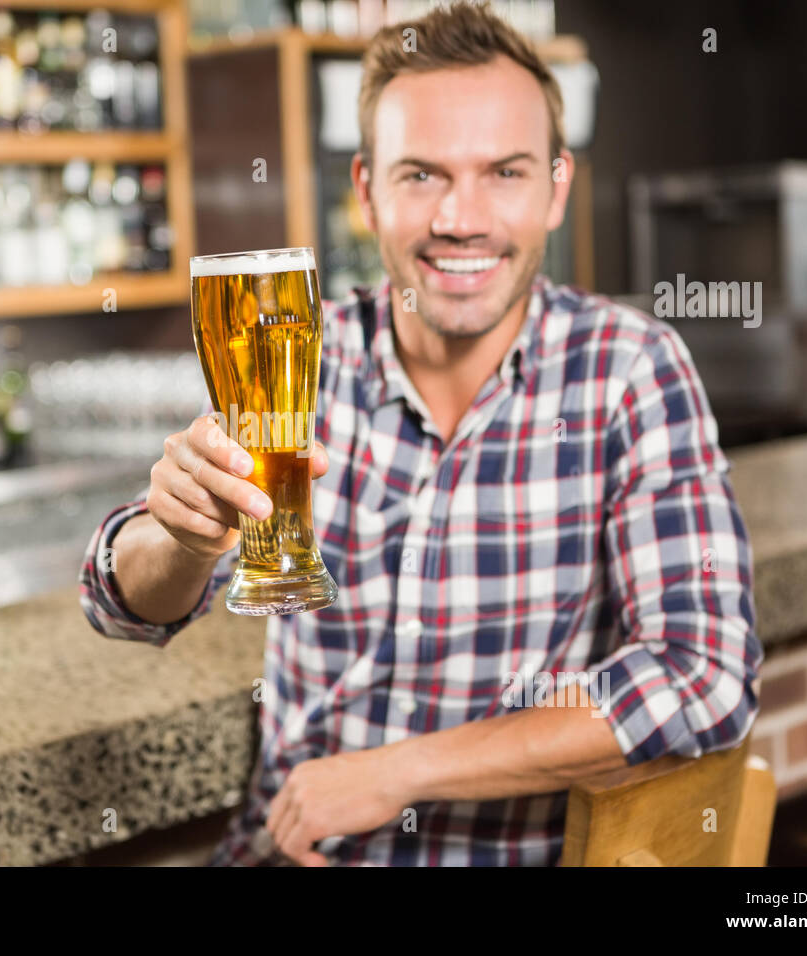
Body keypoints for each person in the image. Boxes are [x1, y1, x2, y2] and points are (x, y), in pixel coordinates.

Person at [79, 0, 761, 866]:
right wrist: (177, 537)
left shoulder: (629, 370)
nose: (460, 218)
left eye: (504, 172)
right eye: (422, 175)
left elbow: (704, 675)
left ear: (556, 187)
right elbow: (123, 607)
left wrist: (401, 772)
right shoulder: (298, 352)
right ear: (366, 191)